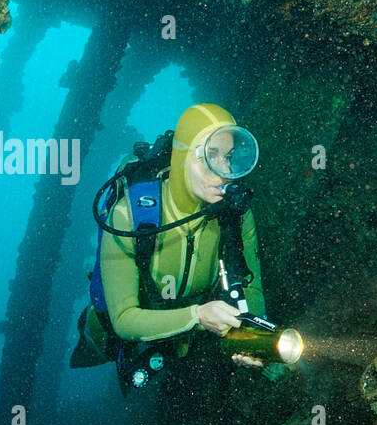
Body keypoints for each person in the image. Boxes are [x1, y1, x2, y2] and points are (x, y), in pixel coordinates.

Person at [71, 102, 269, 403]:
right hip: (122, 327)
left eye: (229, 158)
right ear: (182, 158)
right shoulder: (130, 216)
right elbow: (124, 319)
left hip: (189, 331)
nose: (224, 172)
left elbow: (249, 282)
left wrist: (255, 338)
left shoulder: (237, 213)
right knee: (100, 342)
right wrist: (198, 316)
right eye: (210, 156)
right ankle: (87, 337)